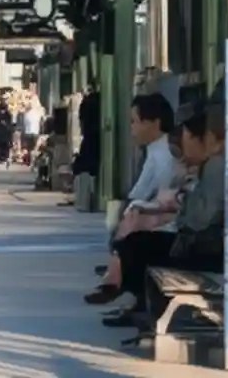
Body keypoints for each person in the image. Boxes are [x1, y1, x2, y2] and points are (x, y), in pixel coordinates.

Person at [99, 104, 226, 325]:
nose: (182, 145)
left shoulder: (216, 167)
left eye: (187, 138)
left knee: (139, 246)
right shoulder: (210, 166)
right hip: (207, 245)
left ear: (206, 139)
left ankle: (147, 309)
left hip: (207, 250)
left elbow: (199, 218)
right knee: (137, 243)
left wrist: (183, 204)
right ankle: (143, 306)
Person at [84, 92, 177, 303]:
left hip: (166, 221)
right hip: (160, 215)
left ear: (154, 123)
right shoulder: (156, 151)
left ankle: (116, 281)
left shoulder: (163, 155)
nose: (131, 129)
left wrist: (130, 207)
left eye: (135, 122)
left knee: (129, 229)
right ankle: (117, 277)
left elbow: (143, 191)